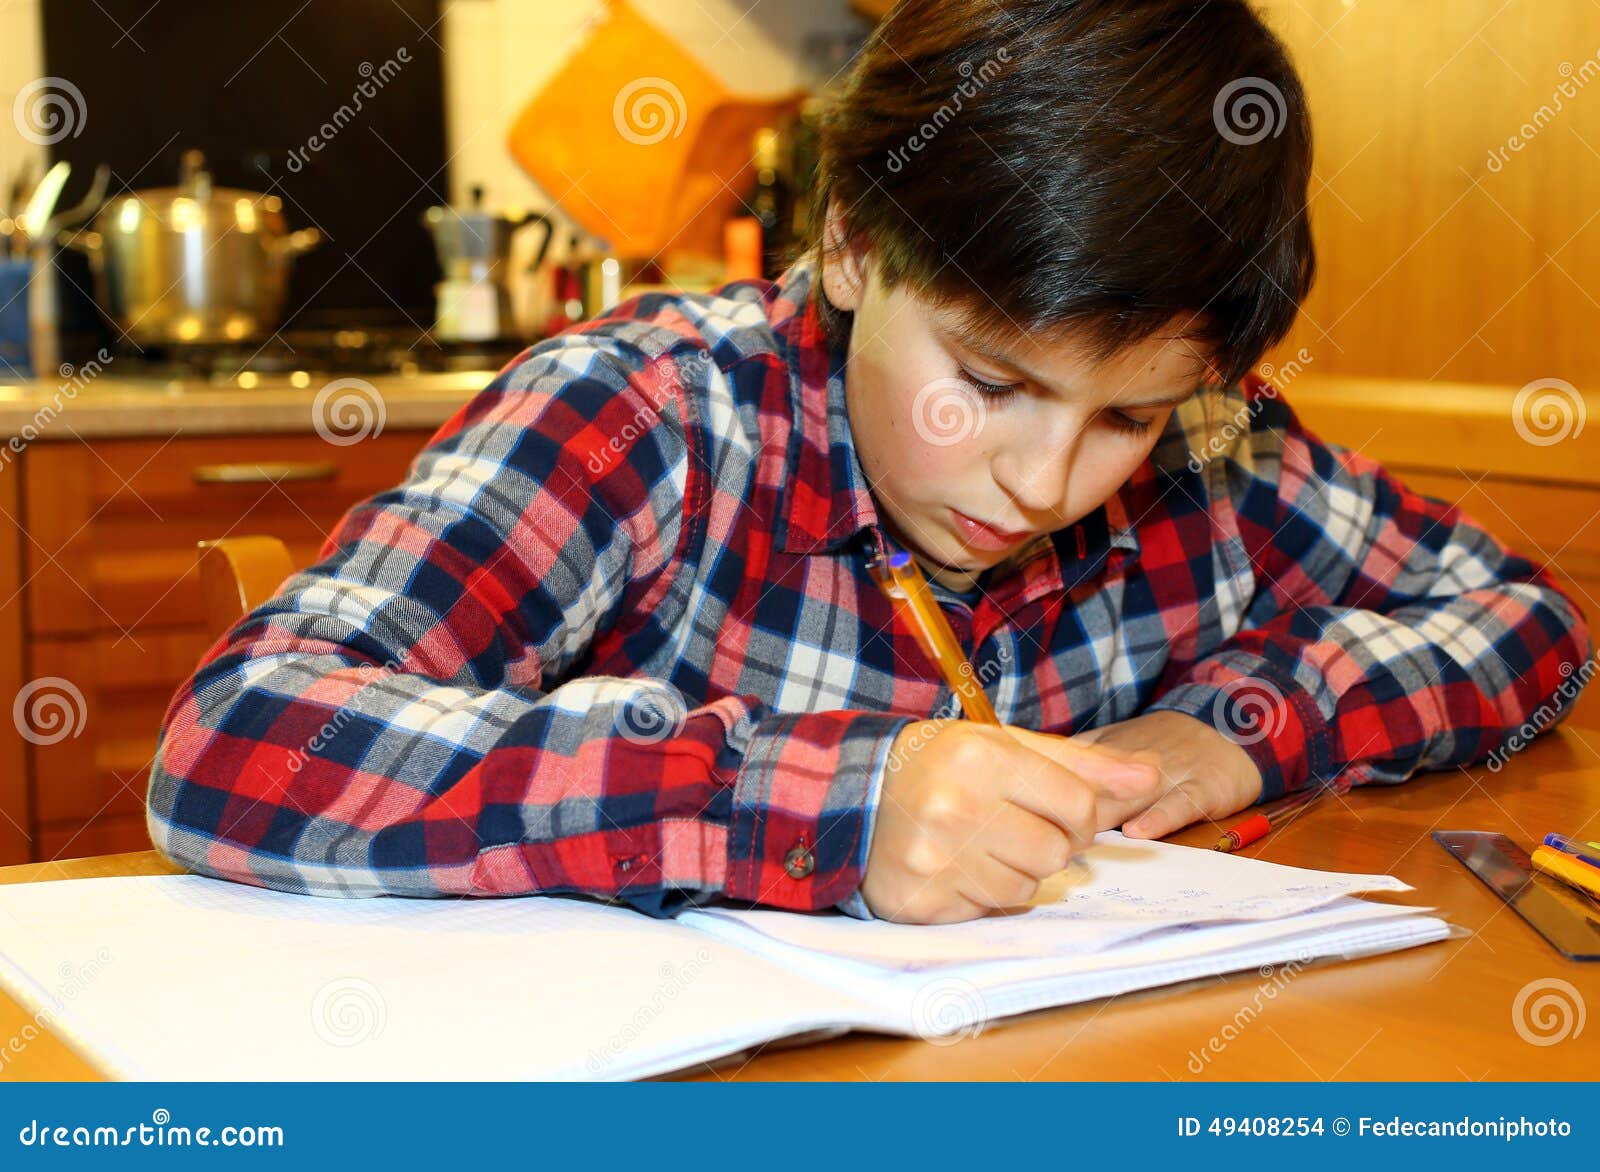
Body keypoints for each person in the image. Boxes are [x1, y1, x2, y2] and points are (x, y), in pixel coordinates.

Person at [147, 0, 1590, 924]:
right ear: (849, 242)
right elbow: (236, 740)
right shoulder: (647, 419)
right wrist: (819, 807)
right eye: (989, 384)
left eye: (1123, 419)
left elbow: (1536, 626)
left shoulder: (1216, 456)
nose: (1041, 484)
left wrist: (1243, 726)